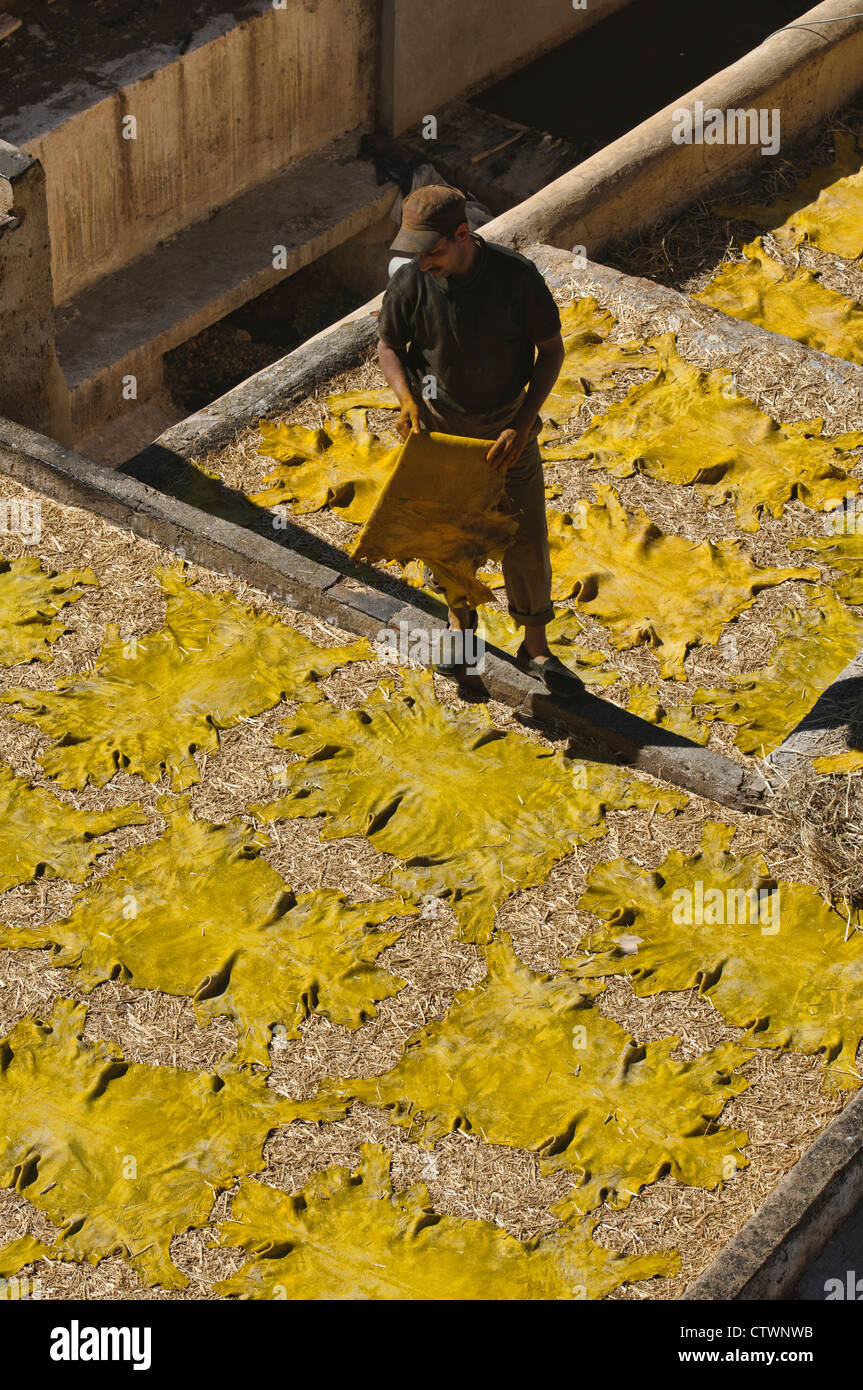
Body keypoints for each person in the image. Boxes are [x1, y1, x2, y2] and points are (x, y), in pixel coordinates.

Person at [376, 183, 582, 695]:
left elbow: (551, 352)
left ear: (463, 235)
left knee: (525, 541)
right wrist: (406, 399)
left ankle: (535, 648)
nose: (423, 264)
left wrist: (524, 423)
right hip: (443, 442)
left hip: (505, 440)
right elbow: (388, 346)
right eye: (416, 254)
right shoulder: (411, 284)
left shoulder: (517, 279)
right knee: (449, 540)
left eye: (433, 252)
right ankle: (461, 634)